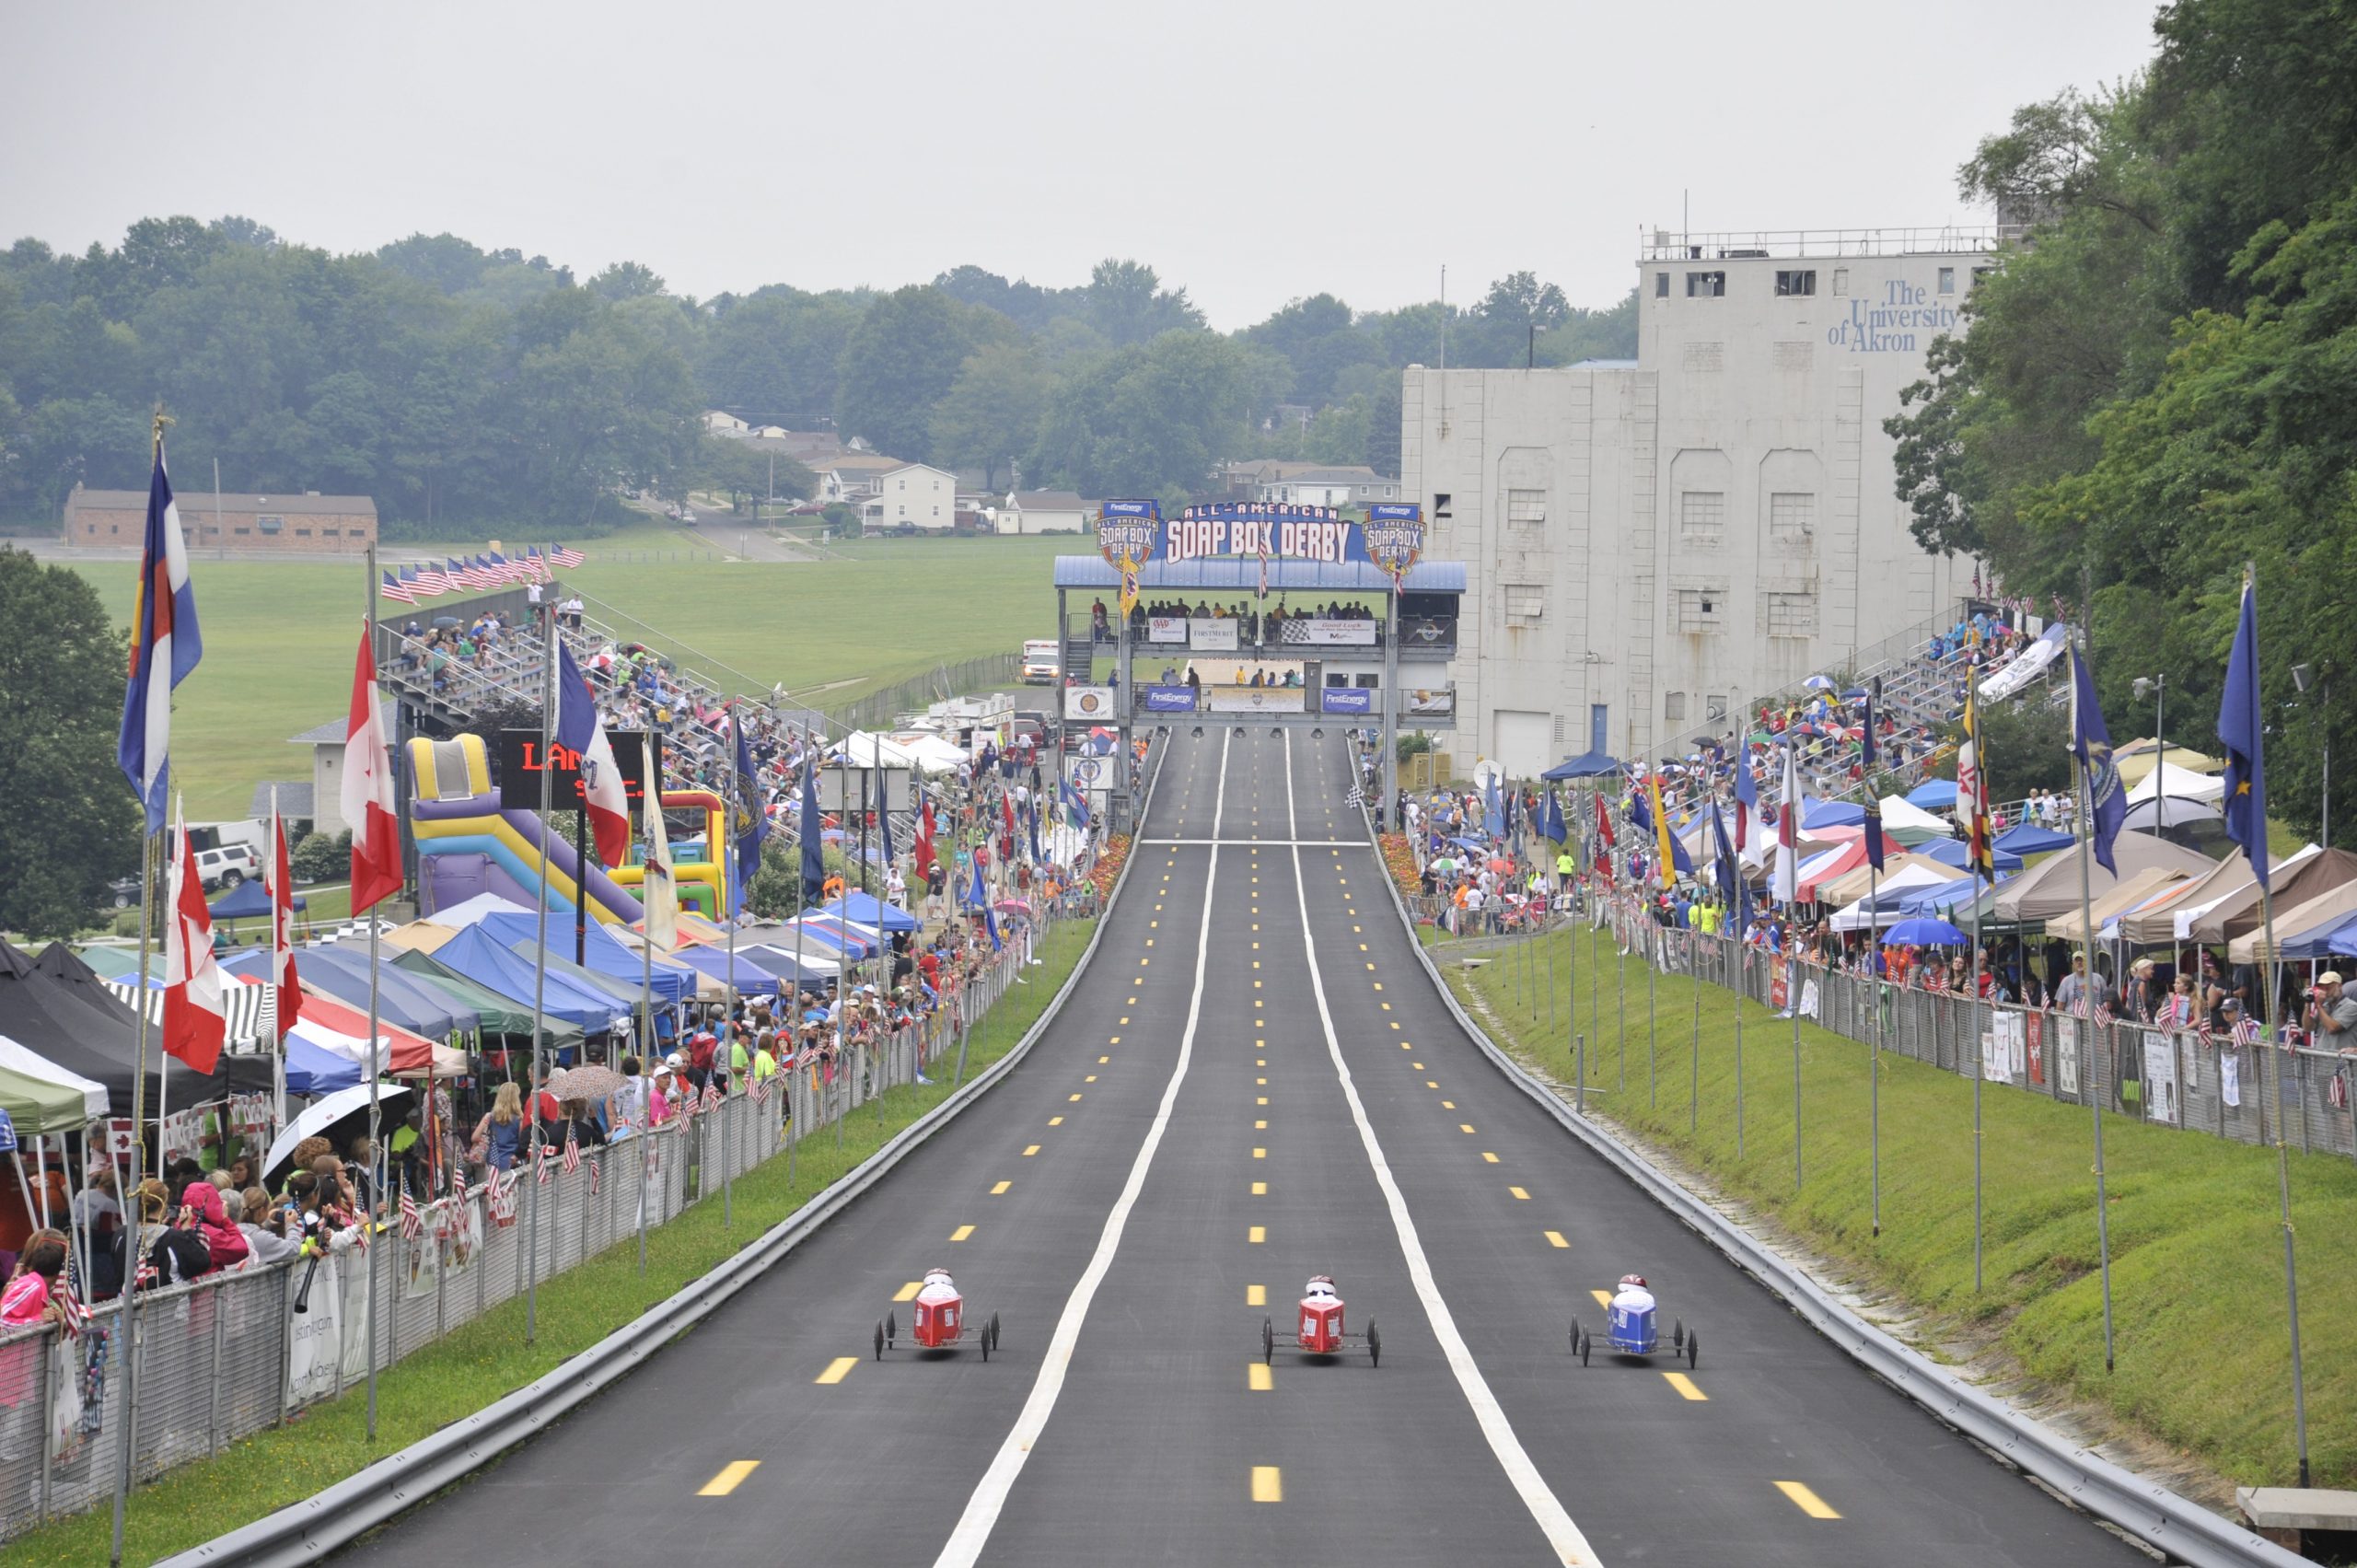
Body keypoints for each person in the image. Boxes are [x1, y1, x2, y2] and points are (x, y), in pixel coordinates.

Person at [473, 1083, 526, 1172]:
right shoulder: (520, 1119)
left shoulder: (489, 1117)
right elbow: (523, 1143)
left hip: (492, 1162)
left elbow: (475, 1137)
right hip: (512, 1162)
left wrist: (488, 1140)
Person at [2306, 970, 2357, 1050]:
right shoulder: (2325, 1007)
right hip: (2322, 1058)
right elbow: (2308, 1028)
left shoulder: (2352, 1006)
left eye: (2328, 988)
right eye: (2321, 988)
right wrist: (2307, 1004)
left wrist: (2319, 1006)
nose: (2325, 992)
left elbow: (2332, 1028)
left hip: (2341, 1059)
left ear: (2339, 986)